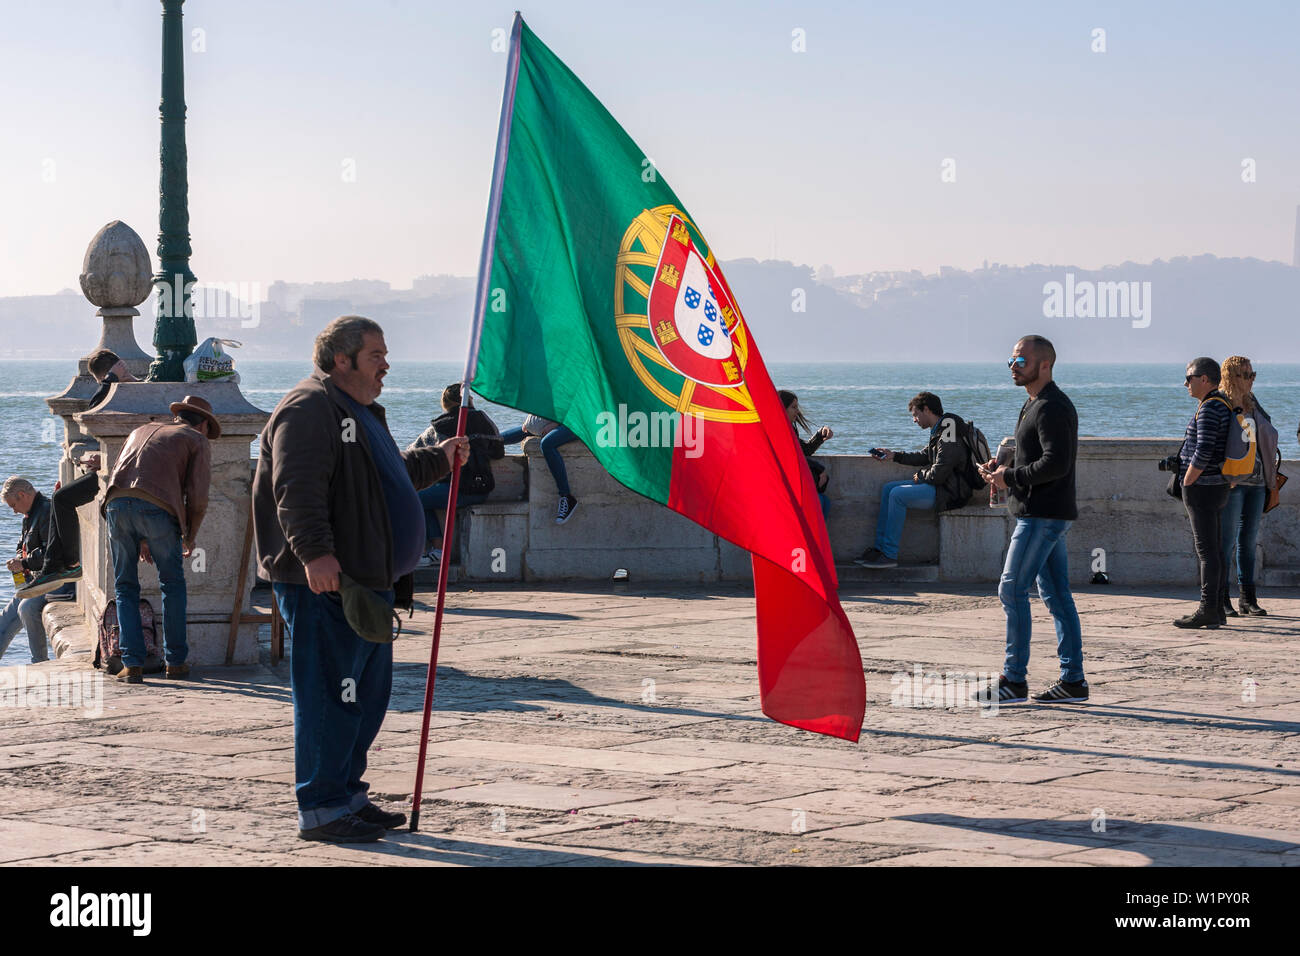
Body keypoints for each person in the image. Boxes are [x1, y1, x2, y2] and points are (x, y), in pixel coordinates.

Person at [253, 315, 468, 844]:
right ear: (342, 360)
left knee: (362, 698)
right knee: (330, 695)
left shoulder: (358, 412)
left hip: (367, 584)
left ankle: (349, 795)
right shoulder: (309, 408)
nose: (387, 365)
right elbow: (295, 489)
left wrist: (440, 459)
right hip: (329, 584)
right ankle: (322, 810)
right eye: (377, 356)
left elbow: (388, 475)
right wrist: (316, 555)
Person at [976, 335, 1088, 704]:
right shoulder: (1034, 405)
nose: (1013, 367)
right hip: (1045, 513)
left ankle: (1013, 680)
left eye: (1020, 361)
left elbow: (1057, 463)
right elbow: (1036, 458)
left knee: (1011, 589)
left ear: (1044, 365)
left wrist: (1010, 477)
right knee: (1057, 596)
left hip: (1041, 515)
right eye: (1010, 361)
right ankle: (1073, 682)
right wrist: (1002, 466)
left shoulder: (1051, 406)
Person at [102, 395, 216, 683]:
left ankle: (132, 664)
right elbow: (198, 496)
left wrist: (141, 537)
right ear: (202, 424)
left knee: (125, 587)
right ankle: (175, 662)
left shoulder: (141, 430)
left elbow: (129, 482)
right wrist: (189, 535)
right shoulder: (196, 439)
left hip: (115, 505)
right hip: (157, 510)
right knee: (172, 583)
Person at [17, 348, 139, 598]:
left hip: (127, 471)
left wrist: (112, 381)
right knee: (61, 497)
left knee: (62, 500)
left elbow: (94, 410)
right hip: (114, 465)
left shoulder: (127, 388)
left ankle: (65, 566)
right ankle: (57, 566)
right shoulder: (124, 389)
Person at [856, 391, 976, 569]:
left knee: (897, 494)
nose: (914, 420)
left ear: (926, 409)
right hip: (940, 485)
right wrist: (894, 455)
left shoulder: (949, 429)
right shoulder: (940, 428)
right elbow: (925, 455)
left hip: (950, 491)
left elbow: (941, 471)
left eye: (915, 415)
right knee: (888, 488)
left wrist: (921, 476)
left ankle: (889, 555)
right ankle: (879, 550)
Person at [409, 383, 505, 566]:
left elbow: (415, 451)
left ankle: (423, 551)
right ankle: (437, 550)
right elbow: (498, 452)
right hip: (482, 489)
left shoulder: (441, 425)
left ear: (446, 402)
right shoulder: (484, 419)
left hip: (457, 489)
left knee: (414, 496)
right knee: (422, 498)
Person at [1218, 356, 1279, 617]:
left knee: (1248, 541)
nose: (1251, 379)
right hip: (1233, 484)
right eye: (1245, 374)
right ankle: (1220, 598)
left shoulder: (1253, 404)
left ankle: (1247, 598)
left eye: (1253, 374)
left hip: (1256, 482)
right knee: (1226, 542)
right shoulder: (1221, 403)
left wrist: (1270, 479)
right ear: (1231, 376)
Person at [1, 478, 53, 662]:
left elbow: (50, 554)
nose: (14, 511)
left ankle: (40, 662)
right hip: (34, 581)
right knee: (3, 621)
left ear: (22, 495)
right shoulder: (29, 515)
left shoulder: (46, 510)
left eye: (13, 505)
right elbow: (21, 544)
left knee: (27, 608)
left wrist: (23, 563)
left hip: (52, 580)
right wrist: (18, 560)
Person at [500, 415, 580, 524]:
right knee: (497, 439)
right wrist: (530, 421)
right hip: (557, 418)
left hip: (577, 421)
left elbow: (578, 402)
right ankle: (484, 444)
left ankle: (566, 497)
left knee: (547, 443)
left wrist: (556, 424)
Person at [778, 390, 833, 517]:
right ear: (782, 408)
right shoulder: (777, 432)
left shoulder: (790, 428)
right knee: (818, 501)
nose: (797, 411)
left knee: (825, 501)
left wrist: (820, 435)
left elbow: (804, 451)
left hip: (796, 482)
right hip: (784, 486)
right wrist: (820, 469)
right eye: (793, 407)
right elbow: (790, 457)